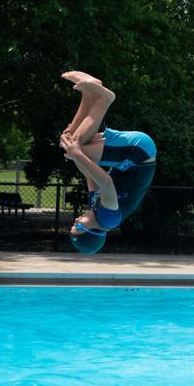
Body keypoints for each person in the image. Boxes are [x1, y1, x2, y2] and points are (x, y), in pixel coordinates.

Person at [59, 71, 157, 254]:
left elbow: (90, 172)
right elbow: (106, 182)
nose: (76, 221)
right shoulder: (108, 219)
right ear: (93, 232)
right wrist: (77, 154)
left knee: (71, 141)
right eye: (78, 227)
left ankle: (88, 93)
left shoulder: (95, 210)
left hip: (132, 156)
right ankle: (103, 99)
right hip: (139, 155)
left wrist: (75, 155)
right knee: (75, 147)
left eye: (74, 226)